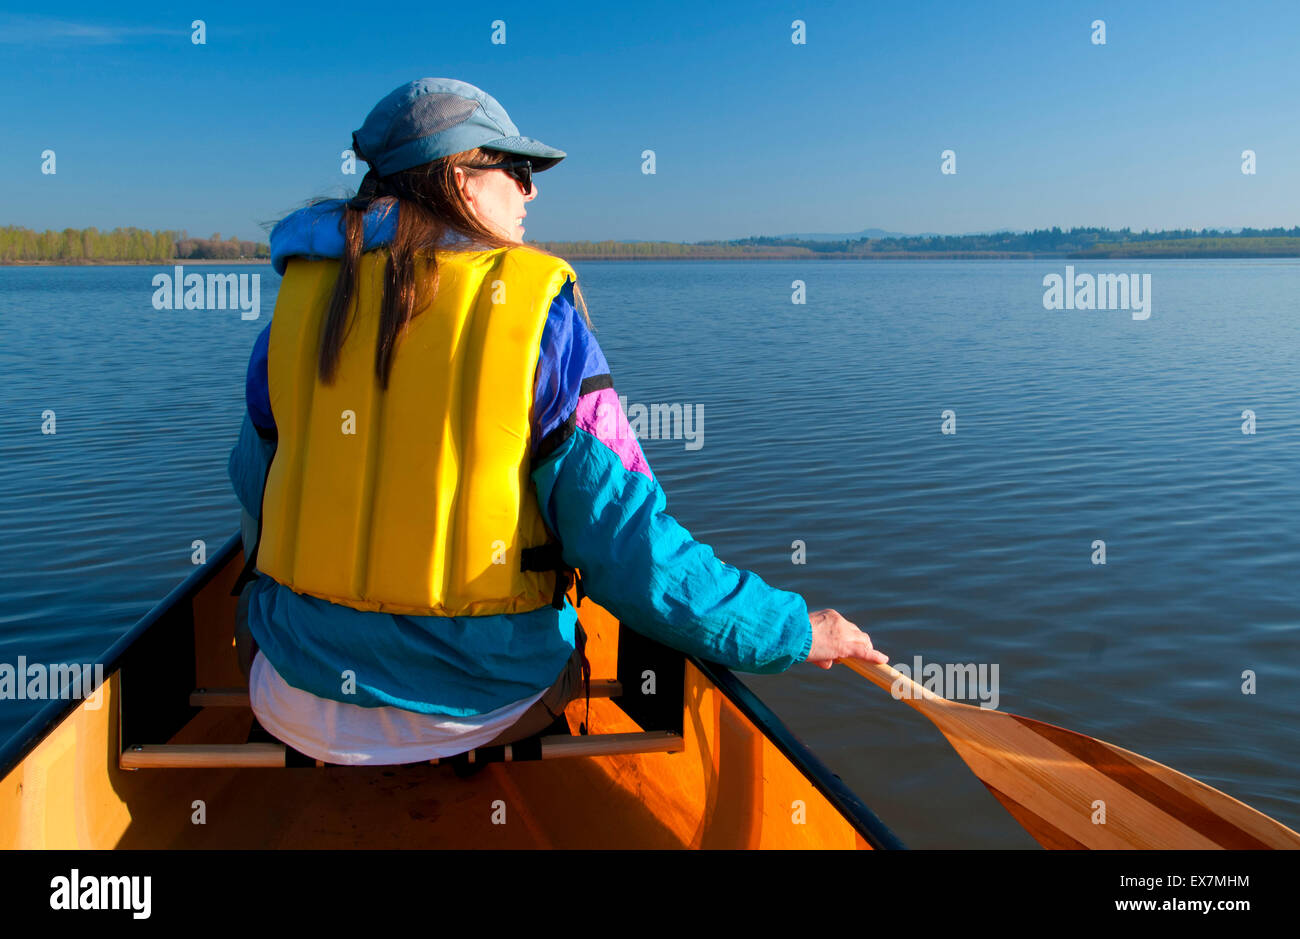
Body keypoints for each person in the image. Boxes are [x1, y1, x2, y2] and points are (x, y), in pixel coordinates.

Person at [227, 77, 887, 765]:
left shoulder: (295, 316)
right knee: (569, 635)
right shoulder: (541, 325)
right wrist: (795, 629)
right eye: (515, 169)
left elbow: (256, 490)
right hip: (478, 706)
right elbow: (634, 552)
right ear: (461, 179)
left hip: (291, 689)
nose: (531, 190)